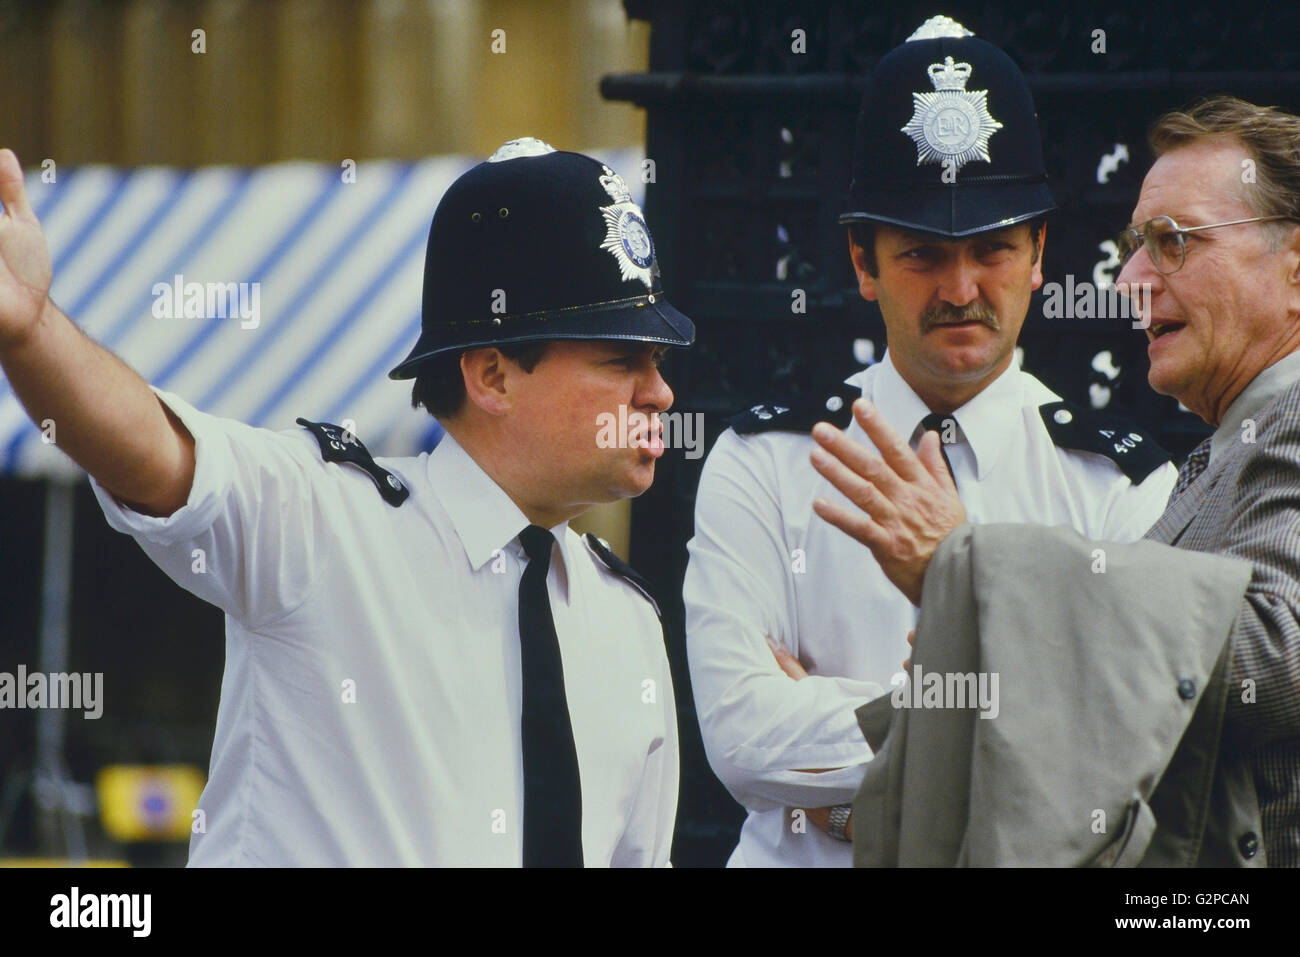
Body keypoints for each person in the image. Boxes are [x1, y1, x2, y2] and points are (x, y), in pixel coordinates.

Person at [0, 137, 693, 866]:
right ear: (492, 375)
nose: (660, 393)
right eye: (622, 359)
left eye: (658, 360)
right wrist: (33, 331)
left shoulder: (628, 622)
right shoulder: (324, 520)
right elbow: (153, 454)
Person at [682, 15, 1177, 867]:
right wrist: (1009, 705)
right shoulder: (762, 462)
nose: (959, 287)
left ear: (1039, 255)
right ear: (862, 261)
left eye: (991, 249)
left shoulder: (1121, 481)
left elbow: (1123, 752)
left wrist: (859, 750)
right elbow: (739, 738)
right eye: (921, 253)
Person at [812, 95, 1300, 866]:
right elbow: (1137, 709)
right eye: (1135, 245)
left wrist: (971, 571)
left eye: (1173, 242)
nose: (1131, 276)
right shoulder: (1230, 445)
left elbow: (1275, 663)